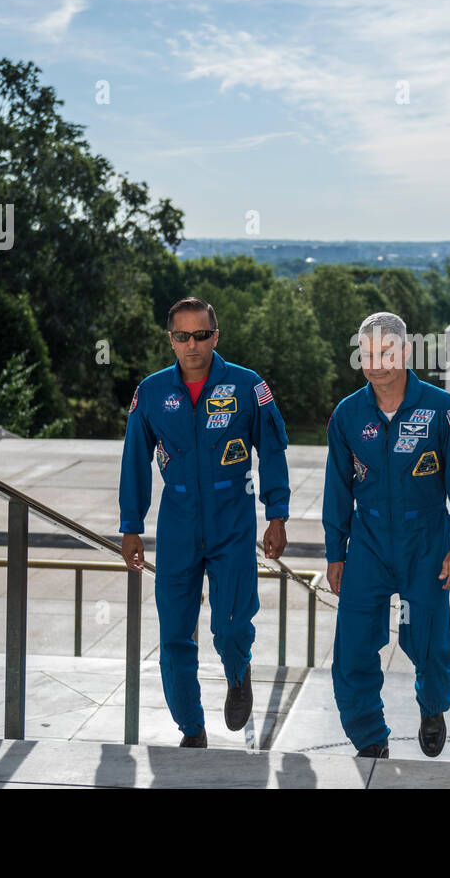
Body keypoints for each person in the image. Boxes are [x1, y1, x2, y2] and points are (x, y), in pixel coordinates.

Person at [118, 297, 291, 748]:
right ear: (170, 339)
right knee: (174, 633)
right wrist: (130, 525)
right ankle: (191, 729)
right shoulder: (152, 392)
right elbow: (134, 459)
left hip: (232, 517)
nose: (192, 345)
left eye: (201, 335)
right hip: (176, 523)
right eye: (182, 336)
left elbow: (272, 450)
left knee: (231, 624)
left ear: (216, 335)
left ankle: (238, 672)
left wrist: (277, 515)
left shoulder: (248, 386)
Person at [323, 312, 450, 759]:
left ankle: (432, 708)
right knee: (353, 647)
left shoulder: (441, 408)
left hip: (426, 543)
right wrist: (336, 551)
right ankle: (370, 735)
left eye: (387, 353)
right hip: (368, 545)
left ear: (406, 352)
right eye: (368, 354)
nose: (377, 364)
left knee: (429, 643)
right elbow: (337, 488)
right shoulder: (348, 415)